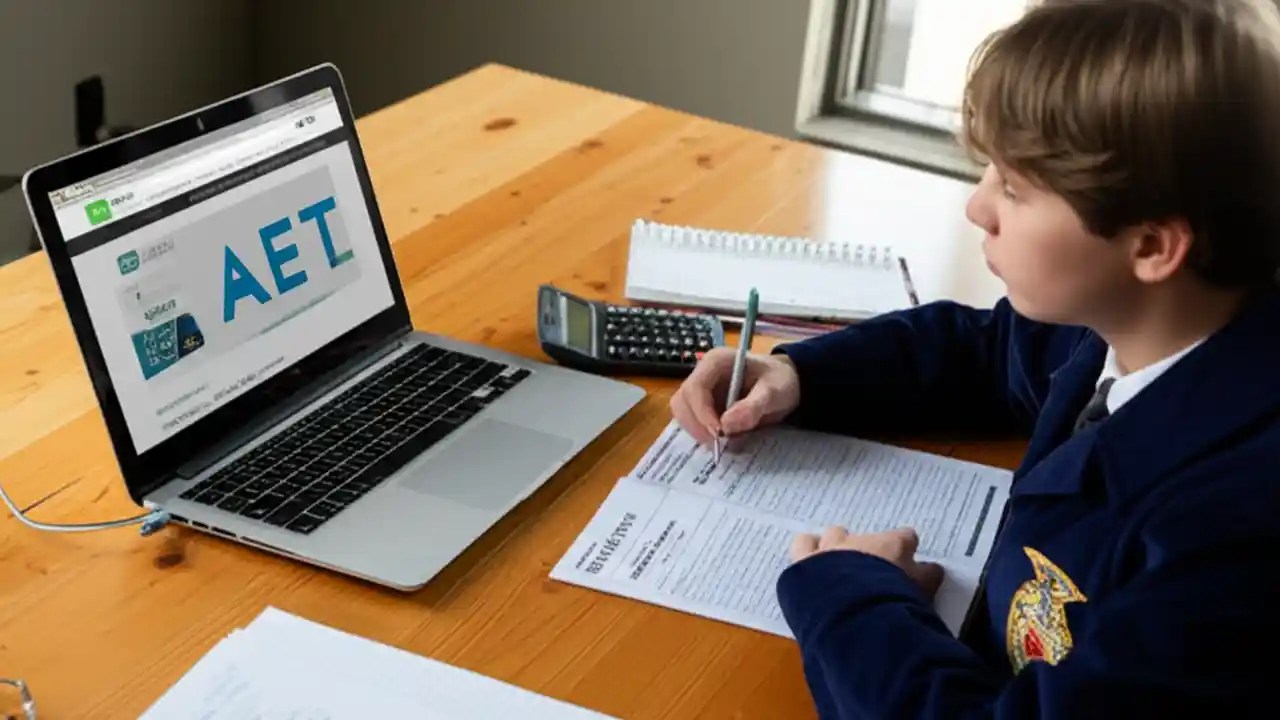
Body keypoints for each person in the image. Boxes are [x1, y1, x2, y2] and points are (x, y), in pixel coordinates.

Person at [669, 0, 1280, 716]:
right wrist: (802, 375)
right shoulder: (1152, 325)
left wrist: (848, 594)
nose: (977, 207)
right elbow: (983, 349)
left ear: (1151, 246)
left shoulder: (1228, 540)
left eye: (1014, 189)